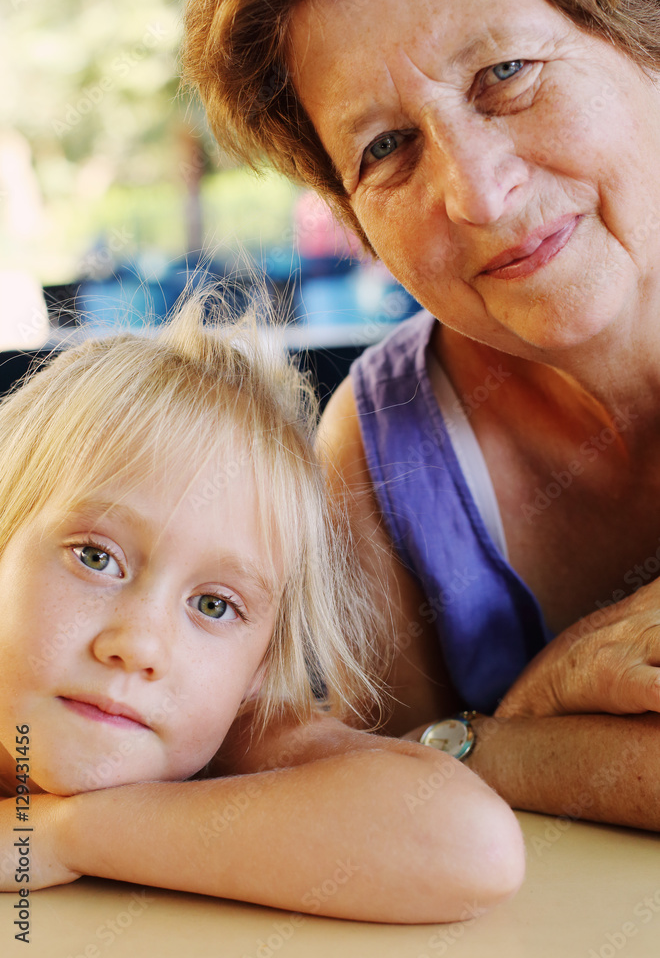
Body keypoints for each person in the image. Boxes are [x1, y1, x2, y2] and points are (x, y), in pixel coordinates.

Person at [182, 0, 660, 829]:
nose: (477, 193)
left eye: (507, 73)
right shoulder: (375, 454)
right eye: (386, 149)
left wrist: (499, 744)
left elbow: (433, 753)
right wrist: (541, 698)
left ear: (645, 36)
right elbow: (399, 802)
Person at [0, 293, 524, 923]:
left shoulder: (234, 735)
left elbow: (469, 844)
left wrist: (62, 834)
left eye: (215, 605)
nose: (138, 645)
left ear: (259, 671)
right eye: (94, 557)